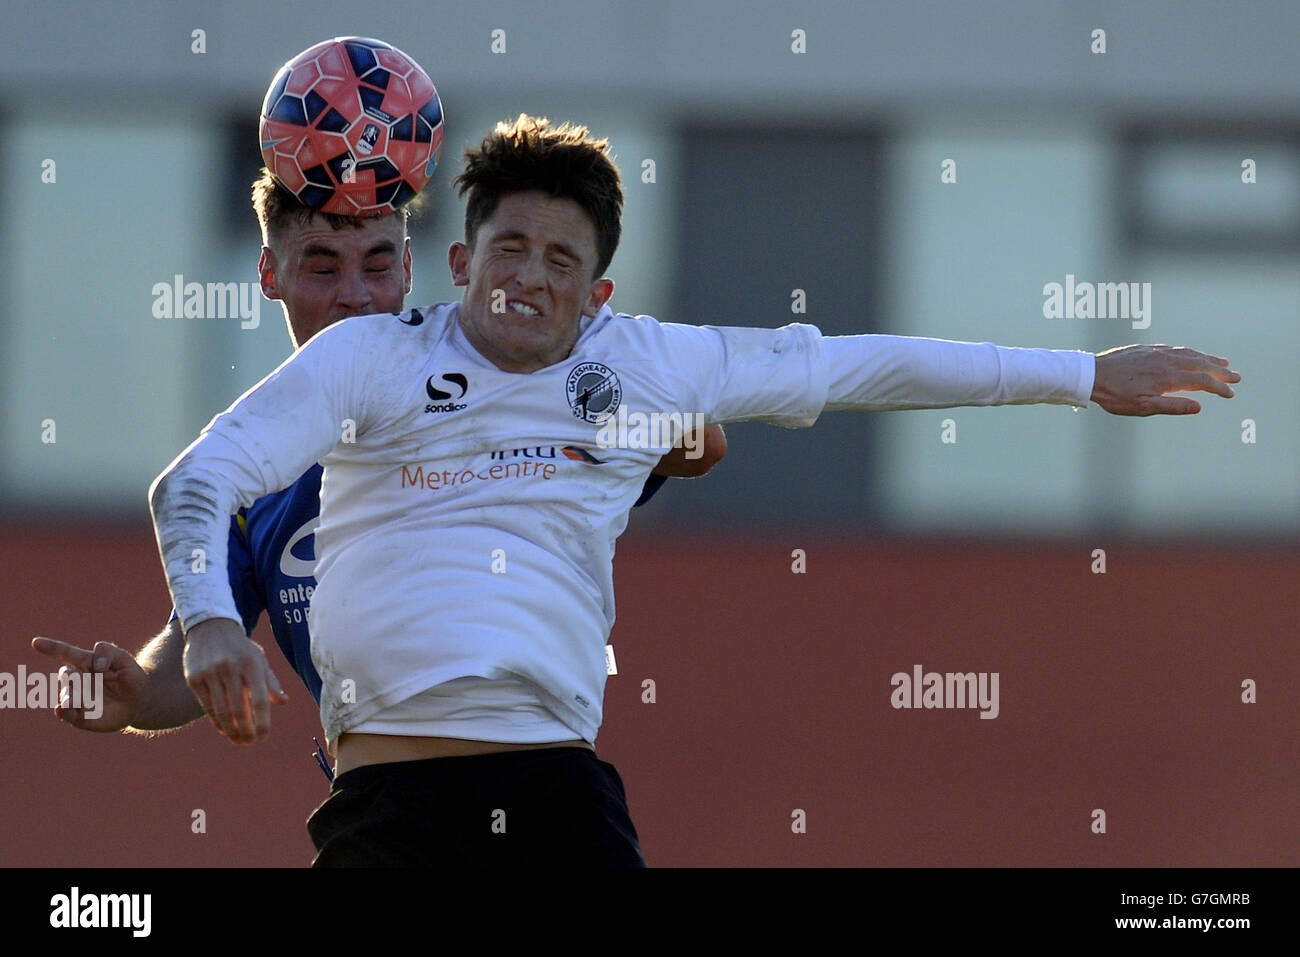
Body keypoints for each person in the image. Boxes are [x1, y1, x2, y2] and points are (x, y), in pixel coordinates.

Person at [147, 114, 1241, 867]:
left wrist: (1085, 377)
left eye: (560, 260)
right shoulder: (363, 363)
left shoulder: (650, 365)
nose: (530, 275)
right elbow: (195, 480)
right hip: (385, 809)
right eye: (509, 247)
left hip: (555, 801)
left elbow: (865, 364)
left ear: (599, 292)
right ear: (462, 264)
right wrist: (206, 625)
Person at [31, 167, 726, 764]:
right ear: (270, 274)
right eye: (324, 267)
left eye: (379, 263)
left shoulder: (490, 376)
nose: (357, 296)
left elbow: (701, 444)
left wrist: (589, 384)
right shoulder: (254, 479)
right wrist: (133, 694)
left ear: (411, 269)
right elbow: (195, 648)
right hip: (382, 808)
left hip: (529, 795)